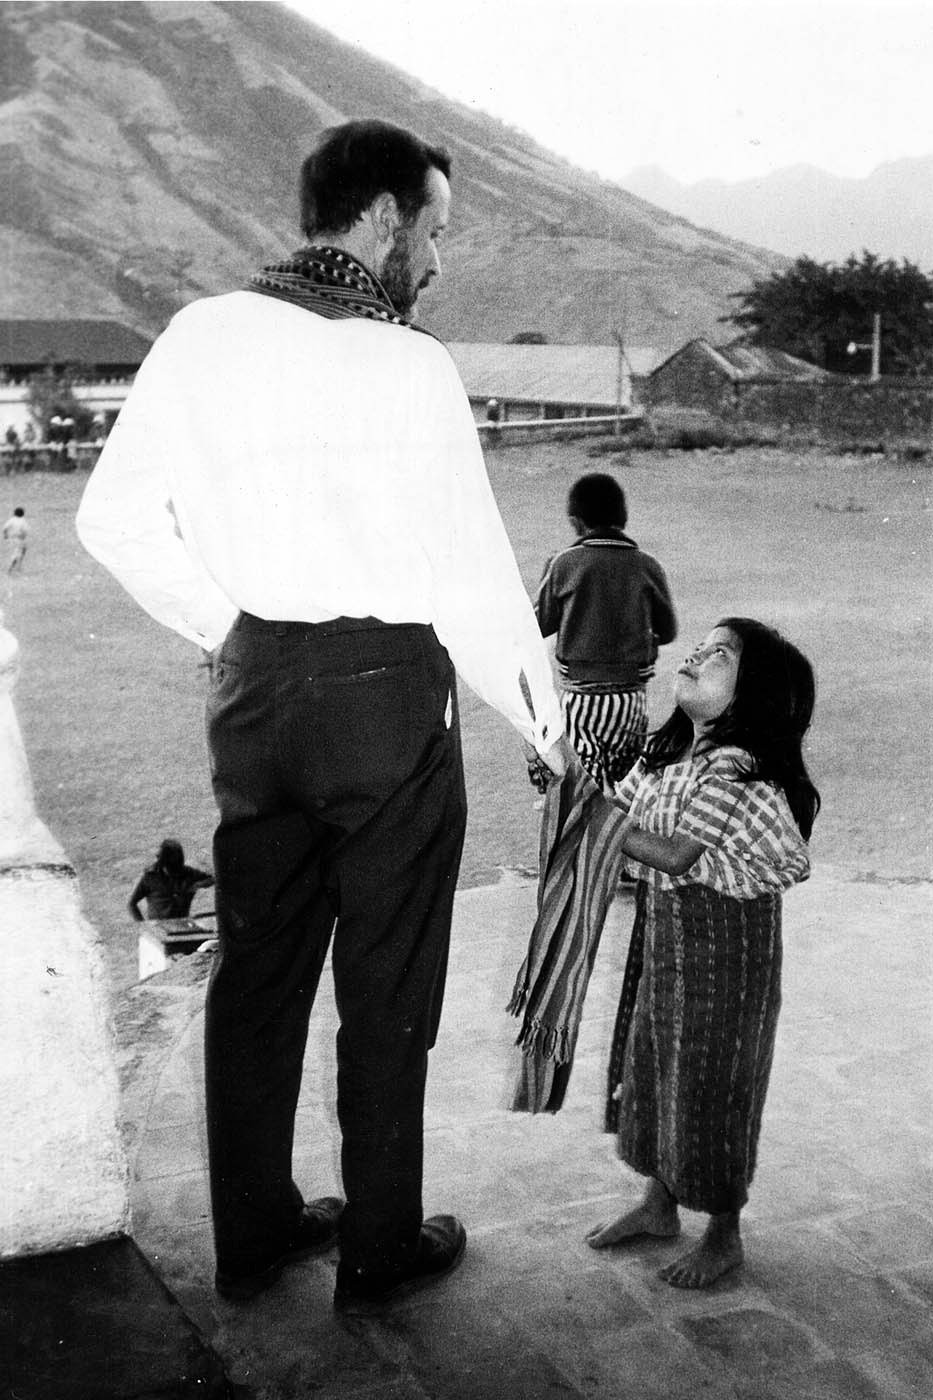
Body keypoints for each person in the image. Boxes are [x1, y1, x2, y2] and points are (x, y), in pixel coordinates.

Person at [76, 118, 565, 1313]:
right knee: (386, 985)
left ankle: (254, 1233)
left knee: (257, 971)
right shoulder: (408, 364)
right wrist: (556, 730)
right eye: (433, 231)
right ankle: (378, 1247)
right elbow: (472, 578)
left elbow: (111, 520)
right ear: (386, 218)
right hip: (385, 698)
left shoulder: (199, 334)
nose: (436, 260)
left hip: (253, 692)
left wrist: (232, 626)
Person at [585, 617, 820, 1287]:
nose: (696, 655)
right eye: (700, 646)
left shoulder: (734, 771)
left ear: (754, 696)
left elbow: (673, 854)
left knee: (714, 1084)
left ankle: (724, 1233)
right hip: (667, 941)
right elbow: (620, 806)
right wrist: (574, 781)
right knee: (657, 1065)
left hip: (728, 958)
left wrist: (593, 817)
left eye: (720, 656)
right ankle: (659, 1205)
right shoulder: (669, 758)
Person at [534, 473, 676, 789]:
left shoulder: (564, 563)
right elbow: (668, 631)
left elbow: (539, 625)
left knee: (580, 787)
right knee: (626, 789)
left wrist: (548, 577)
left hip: (581, 700)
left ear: (576, 522)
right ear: (622, 518)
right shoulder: (648, 565)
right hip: (631, 699)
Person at [127, 838, 215, 922]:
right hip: (158, 926)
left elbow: (212, 879)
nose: (172, 872)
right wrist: (143, 925)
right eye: (168, 868)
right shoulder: (150, 877)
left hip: (182, 924)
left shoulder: (188, 873)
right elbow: (132, 904)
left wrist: (197, 885)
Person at [3, 507, 27, 574]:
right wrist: (23, 537)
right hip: (19, 538)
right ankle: (12, 568)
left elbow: (4, 528)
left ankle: (17, 566)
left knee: (18, 550)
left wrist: (5, 535)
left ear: (14, 513)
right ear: (23, 514)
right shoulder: (23, 521)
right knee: (19, 552)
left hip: (11, 538)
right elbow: (25, 531)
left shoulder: (12, 520)